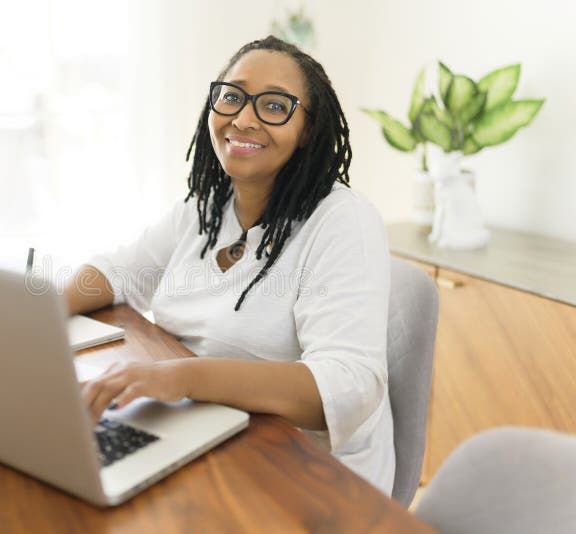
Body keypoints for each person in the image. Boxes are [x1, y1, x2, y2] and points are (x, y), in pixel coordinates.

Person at [63, 36, 394, 495]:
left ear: (309, 130)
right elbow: (118, 272)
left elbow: (345, 388)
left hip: (308, 477)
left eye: (274, 106)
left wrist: (178, 377)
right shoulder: (205, 208)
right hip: (207, 433)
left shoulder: (343, 221)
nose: (243, 118)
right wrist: (24, 310)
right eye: (232, 97)